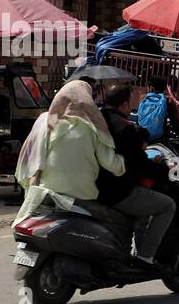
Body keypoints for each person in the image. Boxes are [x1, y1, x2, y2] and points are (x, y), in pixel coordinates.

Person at [15, 81, 162, 266]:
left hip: (43, 189)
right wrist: (133, 159)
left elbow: (30, 155)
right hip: (80, 194)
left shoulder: (45, 120)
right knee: (121, 220)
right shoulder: (90, 126)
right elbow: (114, 166)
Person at [96, 86, 176, 264]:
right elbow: (140, 165)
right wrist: (165, 171)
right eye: (132, 101)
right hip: (118, 190)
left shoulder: (99, 120)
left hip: (96, 185)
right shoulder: (125, 128)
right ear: (124, 104)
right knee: (168, 206)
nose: (134, 104)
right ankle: (145, 256)